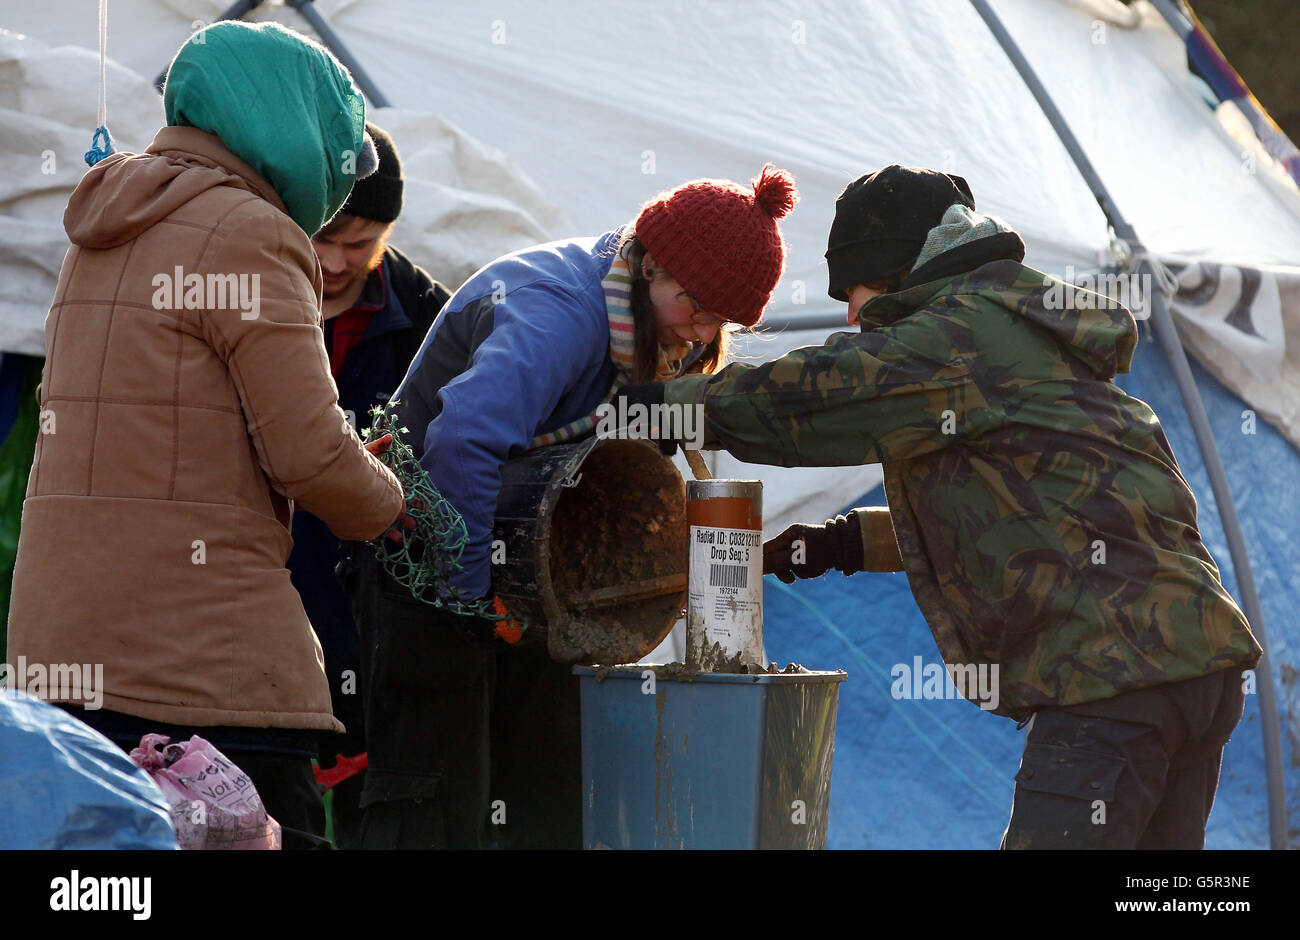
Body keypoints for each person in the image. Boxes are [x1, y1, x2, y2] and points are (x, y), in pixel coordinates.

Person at [626, 164, 1263, 849]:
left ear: (897, 272)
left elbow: (815, 396)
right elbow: (1016, 519)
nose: (848, 314)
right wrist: (838, 544)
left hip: (1112, 676)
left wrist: (650, 411)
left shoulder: (955, 336)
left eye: (854, 290)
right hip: (1195, 666)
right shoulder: (1029, 333)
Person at [6, 21, 406, 849]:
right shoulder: (250, 232)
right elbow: (309, 453)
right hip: (200, 669)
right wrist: (393, 504)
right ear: (292, 126)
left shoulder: (107, 225)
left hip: (64, 657)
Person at [354, 165, 798, 848]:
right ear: (651, 266)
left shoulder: (649, 326)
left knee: (548, 802)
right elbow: (462, 443)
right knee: (435, 806)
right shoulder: (557, 310)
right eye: (697, 308)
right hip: (432, 564)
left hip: (537, 578)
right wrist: (477, 595)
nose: (705, 334)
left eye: (723, 322)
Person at [287, 121, 452, 849]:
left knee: (378, 819)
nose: (333, 262)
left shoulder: (428, 319)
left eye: (360, 244)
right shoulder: (245, 300)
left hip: (382, 616)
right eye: (322, 239)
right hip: (266, 604)